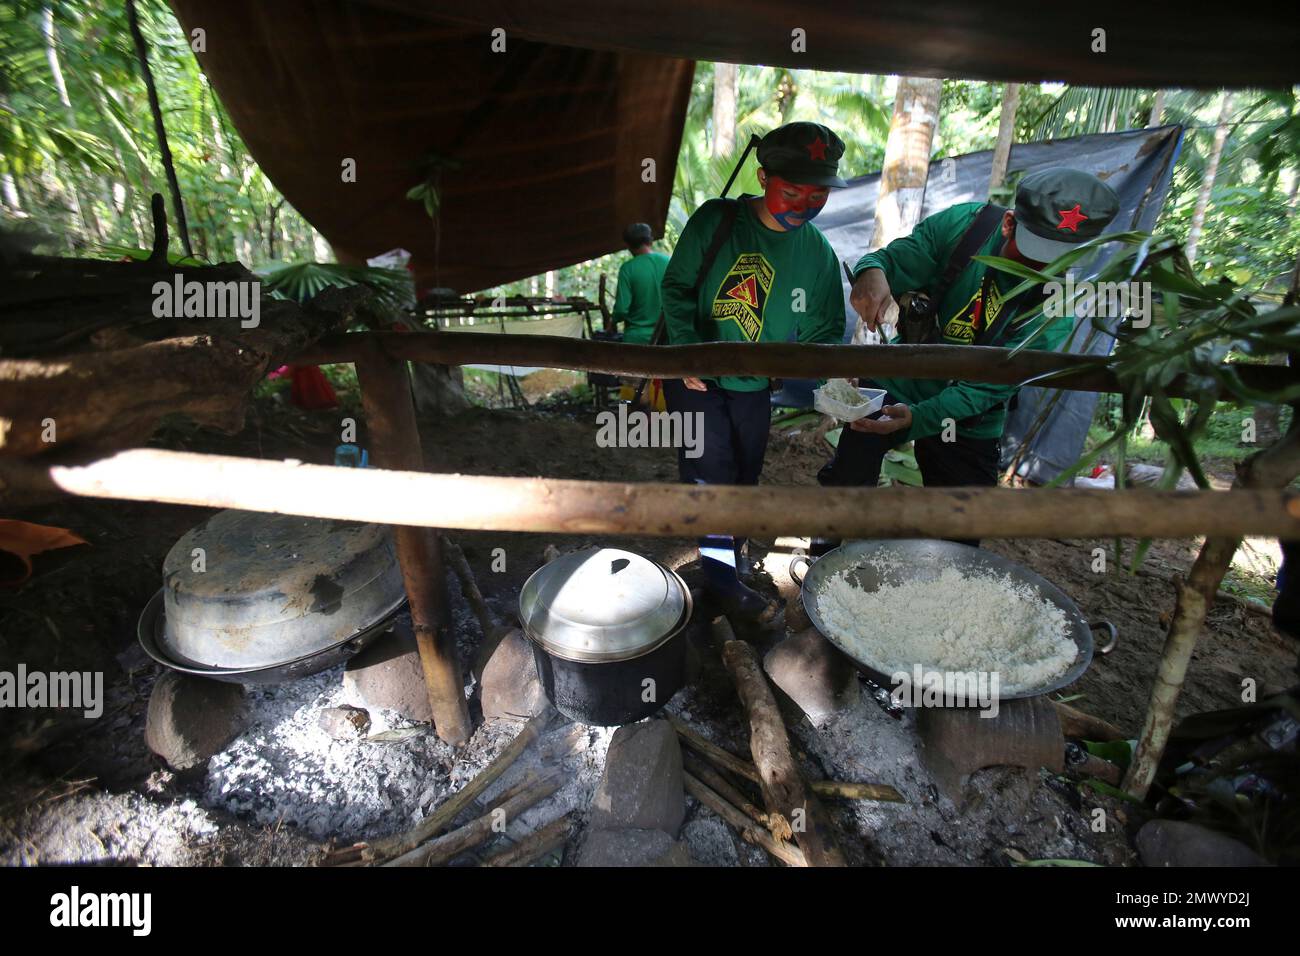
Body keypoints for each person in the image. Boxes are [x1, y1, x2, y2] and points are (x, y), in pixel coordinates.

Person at [815, 167, 1120, 549]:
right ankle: (823, 558)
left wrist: (922, 417)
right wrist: (872, 272)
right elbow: (893, 260)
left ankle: (944, 597)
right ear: (1009, 224)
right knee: (850, 466)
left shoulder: (1060, 301)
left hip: (968, 416)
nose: (1042, 271)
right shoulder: (965, 227)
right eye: (1035, 254)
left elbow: (988, 387)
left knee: (959, 531)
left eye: (1059, 261)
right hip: (903, 378)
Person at [660, 121, 850, 618]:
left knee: (745, 471)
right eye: (791, 192)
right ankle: (722, 580)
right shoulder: (717, 220)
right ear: (764, 178)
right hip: (694, 377)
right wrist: (686, 350)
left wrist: (829, 372)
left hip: (755, 384)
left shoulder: (818, 254)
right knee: (712, 473)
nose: (803, 206)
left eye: (817, 196)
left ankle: (730, 556)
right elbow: (677, 289)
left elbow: (825, 329)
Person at [610, 223, 670, 345]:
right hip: (667, 336)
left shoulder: (628, 269)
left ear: (628, 245)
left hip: (636, 340)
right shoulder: (668, 262)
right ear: (651, 240)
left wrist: (612, 322)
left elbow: (621, 310)